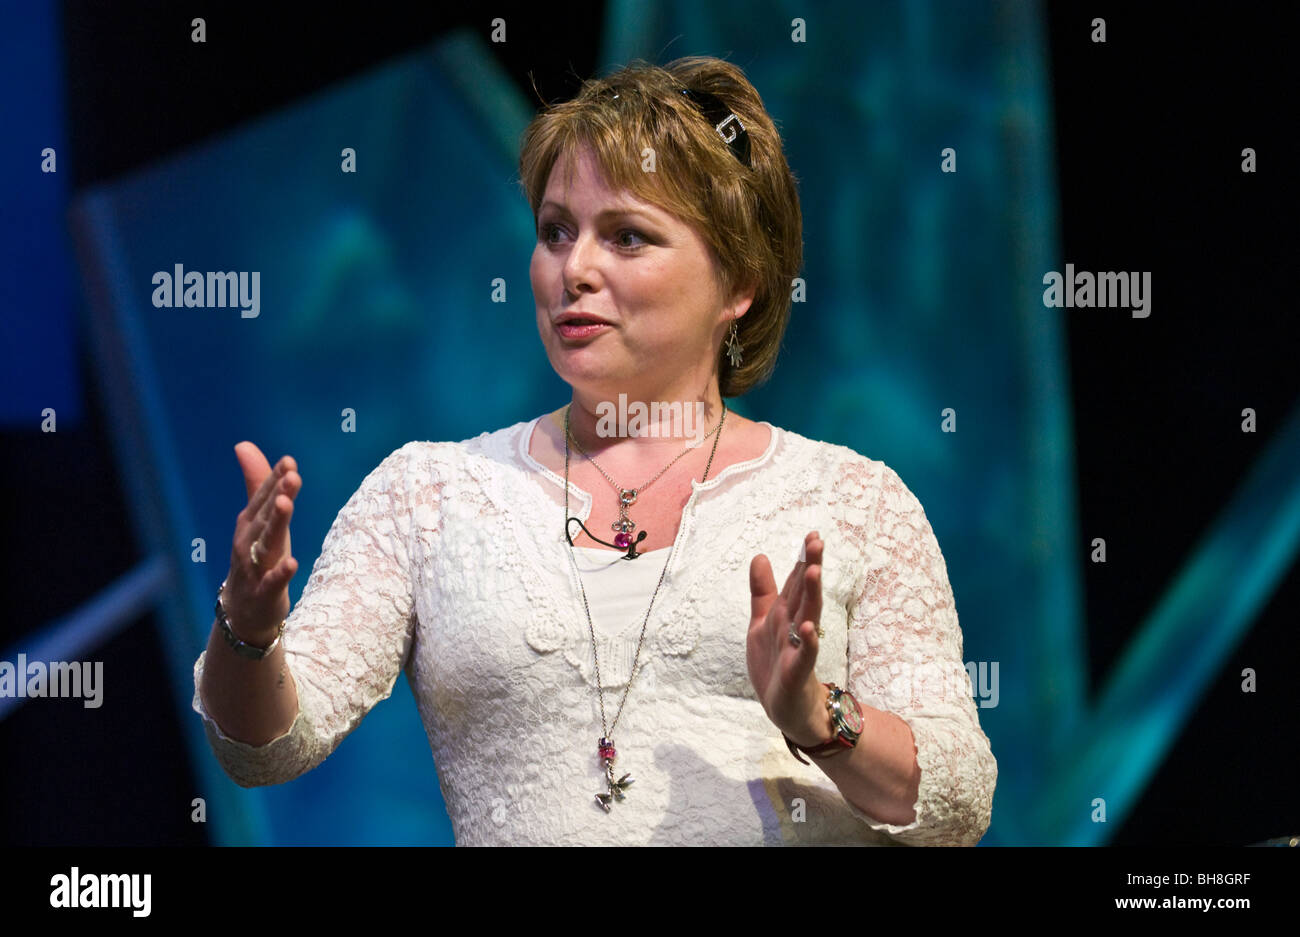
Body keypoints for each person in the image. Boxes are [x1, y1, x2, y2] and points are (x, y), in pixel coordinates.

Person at [194, 55, 996, 845]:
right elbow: (265, 746)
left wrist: (816, 717)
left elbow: (958, 800)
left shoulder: (856, 502)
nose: (573, 269)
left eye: (627, 237)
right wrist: (248, 628)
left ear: (740, 282)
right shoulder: (429, 493)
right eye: (556, 232)